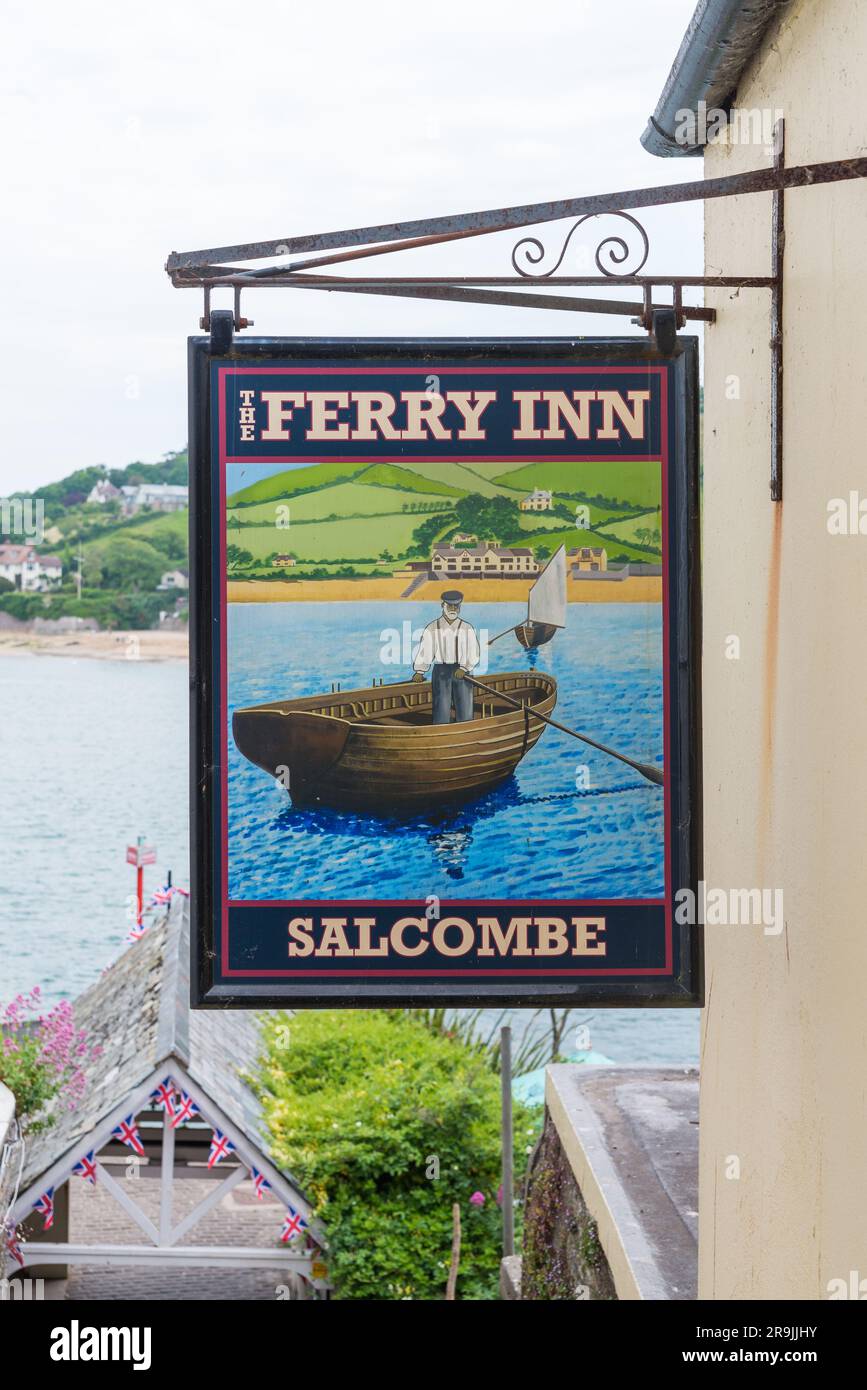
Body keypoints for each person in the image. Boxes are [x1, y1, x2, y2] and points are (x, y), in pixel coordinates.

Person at [412, 590, 480, 724]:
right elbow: (425, 651)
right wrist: (420, 671)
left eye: (456, 606)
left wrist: (465, 667)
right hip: (441, 671)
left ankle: (465, 731)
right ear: (442, 605)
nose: (453, 609)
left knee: (465, 706)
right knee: (441, 707)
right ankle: (440, 731)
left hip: (462, 672)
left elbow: (474, 651)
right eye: (450, 606)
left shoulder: (466, 628)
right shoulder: (432, 628)